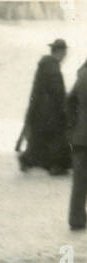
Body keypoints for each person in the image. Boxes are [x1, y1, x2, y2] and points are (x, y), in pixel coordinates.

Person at [18, 39, 71, 175]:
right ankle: (56, 166)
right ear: (59, 52)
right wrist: (66, 107)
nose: (65, 56)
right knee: (57, 139)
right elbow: (57, 92)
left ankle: (26, 160)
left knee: (38, 140)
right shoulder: (53, 68)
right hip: (50, 112)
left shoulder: (45, 64)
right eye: (64, 53)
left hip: (40, 110)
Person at [68, 56, 87, 231]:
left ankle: (76, 218)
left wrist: (73, 126)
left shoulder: (81, 77)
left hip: (79, 137)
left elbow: (70, 101)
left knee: (79, 180)